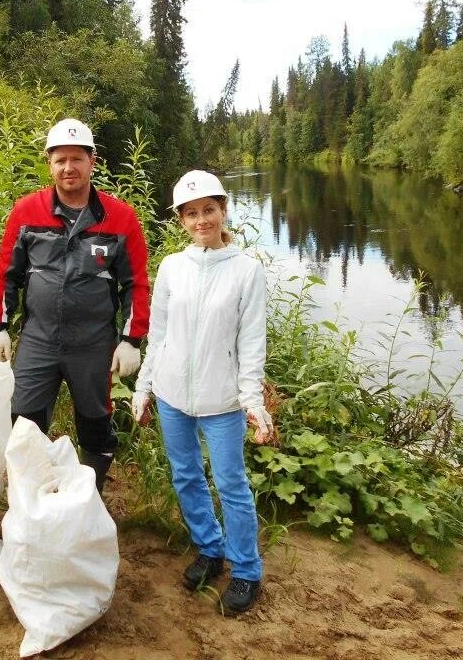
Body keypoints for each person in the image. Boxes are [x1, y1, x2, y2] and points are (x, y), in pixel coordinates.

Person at [131, 169, 274, 617]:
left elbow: (252, 342)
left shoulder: (247, 271)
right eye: (191, 214)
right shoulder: (173, 266)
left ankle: (247, 570)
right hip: (173, 395)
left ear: (223, 210)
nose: (200, 221)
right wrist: (145, 386)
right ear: (180, 220)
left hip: (222, 401)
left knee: (232, 484)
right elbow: (159, 335)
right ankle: (210, 549)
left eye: (208, 210)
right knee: (187, 476)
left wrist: (253, 401)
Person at [0, 117, 151, 491]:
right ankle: (31, 500)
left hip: (93, 344)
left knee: (95, 424)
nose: (68, 167)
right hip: (38, 340)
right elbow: (7, 273)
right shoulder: (27, 211)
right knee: (23, 422)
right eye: (60, 159)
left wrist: (131, 339)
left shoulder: (120, 217)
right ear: (49, 163)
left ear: (92, 161)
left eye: (77, 159)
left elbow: (135, 284)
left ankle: (87, 501)